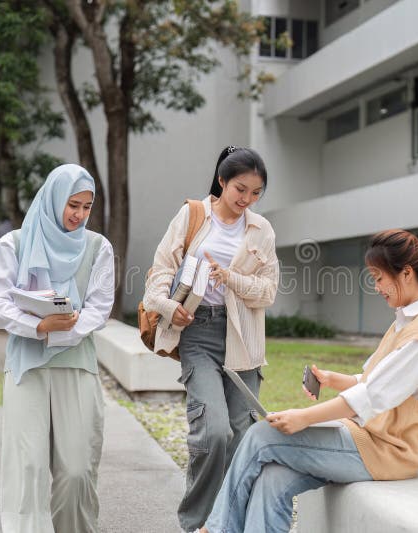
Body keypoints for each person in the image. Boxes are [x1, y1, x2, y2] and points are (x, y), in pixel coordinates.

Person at [201, 229, 418, 533]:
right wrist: (330, 379)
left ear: (406, 273)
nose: (377, 287)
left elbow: (371, 396)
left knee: (261, 436)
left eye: (379, 278)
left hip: (386, 452)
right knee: (271, 479)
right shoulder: (409, 321)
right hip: (367, 440)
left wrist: (303, 418)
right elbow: (372, 381)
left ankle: (216, 529)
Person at [143, 146, 279, 532]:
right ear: (222, 181)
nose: (246, 199)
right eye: (240, 189)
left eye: (256, 193)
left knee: (244, 436)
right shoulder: (192, 216)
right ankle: (196, 523)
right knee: (214, 430)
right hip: (197, 331)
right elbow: (160, 271)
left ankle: (229, 523)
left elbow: (268, 291)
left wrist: (230, 278)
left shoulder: (261, 229)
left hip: (243, 338)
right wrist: (169, 308)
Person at [0, 164, 115, 533]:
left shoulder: (98, 247)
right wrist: (38, 326)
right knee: (27, 467)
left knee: (77, 468)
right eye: (73, 204)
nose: (79, 214)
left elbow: (99, 307)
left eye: (87, 207)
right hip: (27, 365)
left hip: (76, 364)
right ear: (54, 198)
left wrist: (57, 333)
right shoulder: (13, 244)